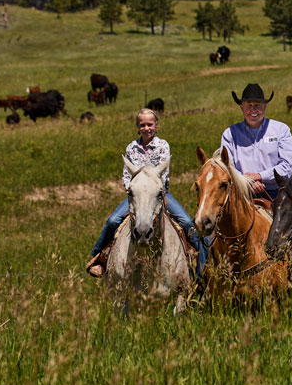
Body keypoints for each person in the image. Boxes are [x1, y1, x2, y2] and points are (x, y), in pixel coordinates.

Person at [221, 83, 292, 294]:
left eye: (258, 105)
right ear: (241, 107)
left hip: (277, 192)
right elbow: (226, 165)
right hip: (242, 194)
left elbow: (287, 166)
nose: (253, 109)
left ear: (265, 107)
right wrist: (246, 182)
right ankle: (208, 285)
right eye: (248, 105)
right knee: (214, 234)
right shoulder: (230, 134)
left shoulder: (280, 130)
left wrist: (260, 176)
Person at [87, 108, 205, 277]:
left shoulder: (163, 146)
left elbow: (163, 175)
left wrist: (153, 189)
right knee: (113, 220)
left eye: (150, 124)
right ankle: (98, 258)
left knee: (186, 222)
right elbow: (126, 176)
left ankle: (200, 263)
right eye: (142, 125)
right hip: (136, 195)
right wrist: (133, 190)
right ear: (138, 127)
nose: (146, 128)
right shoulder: (132, 148)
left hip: (159, 194)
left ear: (156, 125)